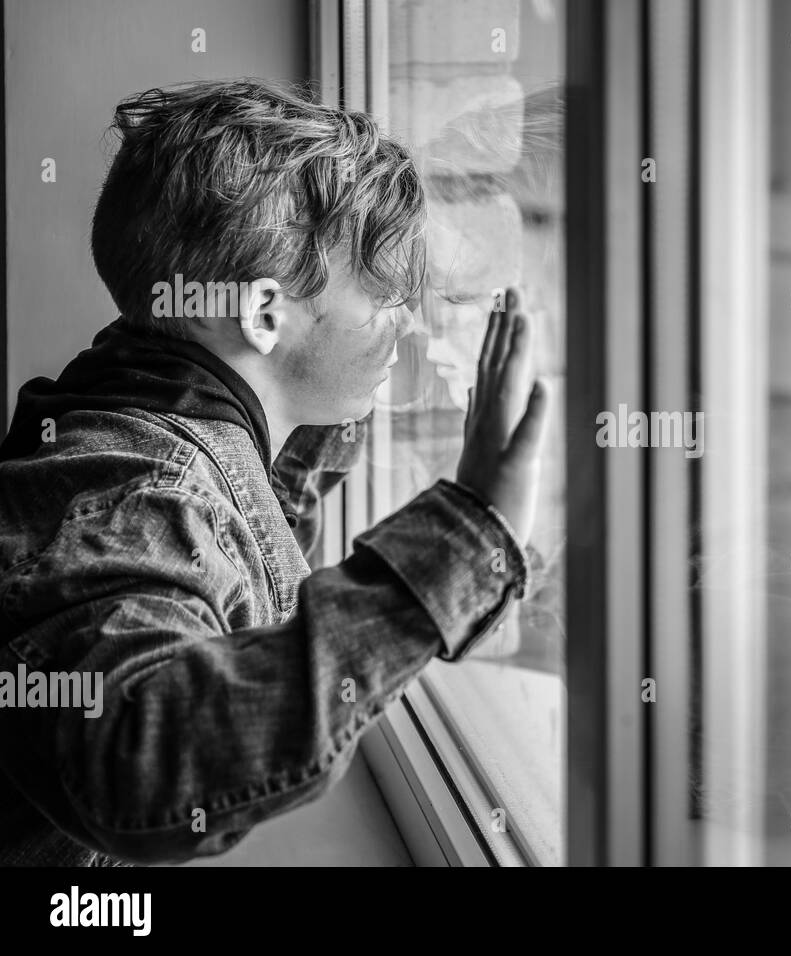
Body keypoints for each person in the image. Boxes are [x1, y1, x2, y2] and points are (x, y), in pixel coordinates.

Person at [0, 79, 548, 866]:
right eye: (385, 292)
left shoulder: (141, 412)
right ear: (261, 316)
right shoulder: (142, 498)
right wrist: (465, 537)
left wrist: (355, 369)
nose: (406, 317)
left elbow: (260, 511)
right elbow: (137, 764)